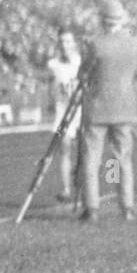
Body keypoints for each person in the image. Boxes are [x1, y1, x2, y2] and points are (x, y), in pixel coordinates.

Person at [78, 0, 137, 223]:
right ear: (121, 20)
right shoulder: (135, 43)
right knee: (121, 158)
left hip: (98, 108)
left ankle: (92, 208)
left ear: (103, 21)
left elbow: (83, 74)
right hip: (123, 108)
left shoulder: (95, 43)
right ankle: (126, 207)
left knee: (92, 159)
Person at [47, 27, 82, 203]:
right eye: (61, 41)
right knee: (65, 148)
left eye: (68, 41)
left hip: (81, 111)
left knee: (84, 150)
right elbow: (51, 86)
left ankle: (81, 181)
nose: (64, 45)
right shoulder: (53, 64)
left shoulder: (81, 61)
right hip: (63, 113)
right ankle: (66, 189)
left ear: (74, 43)